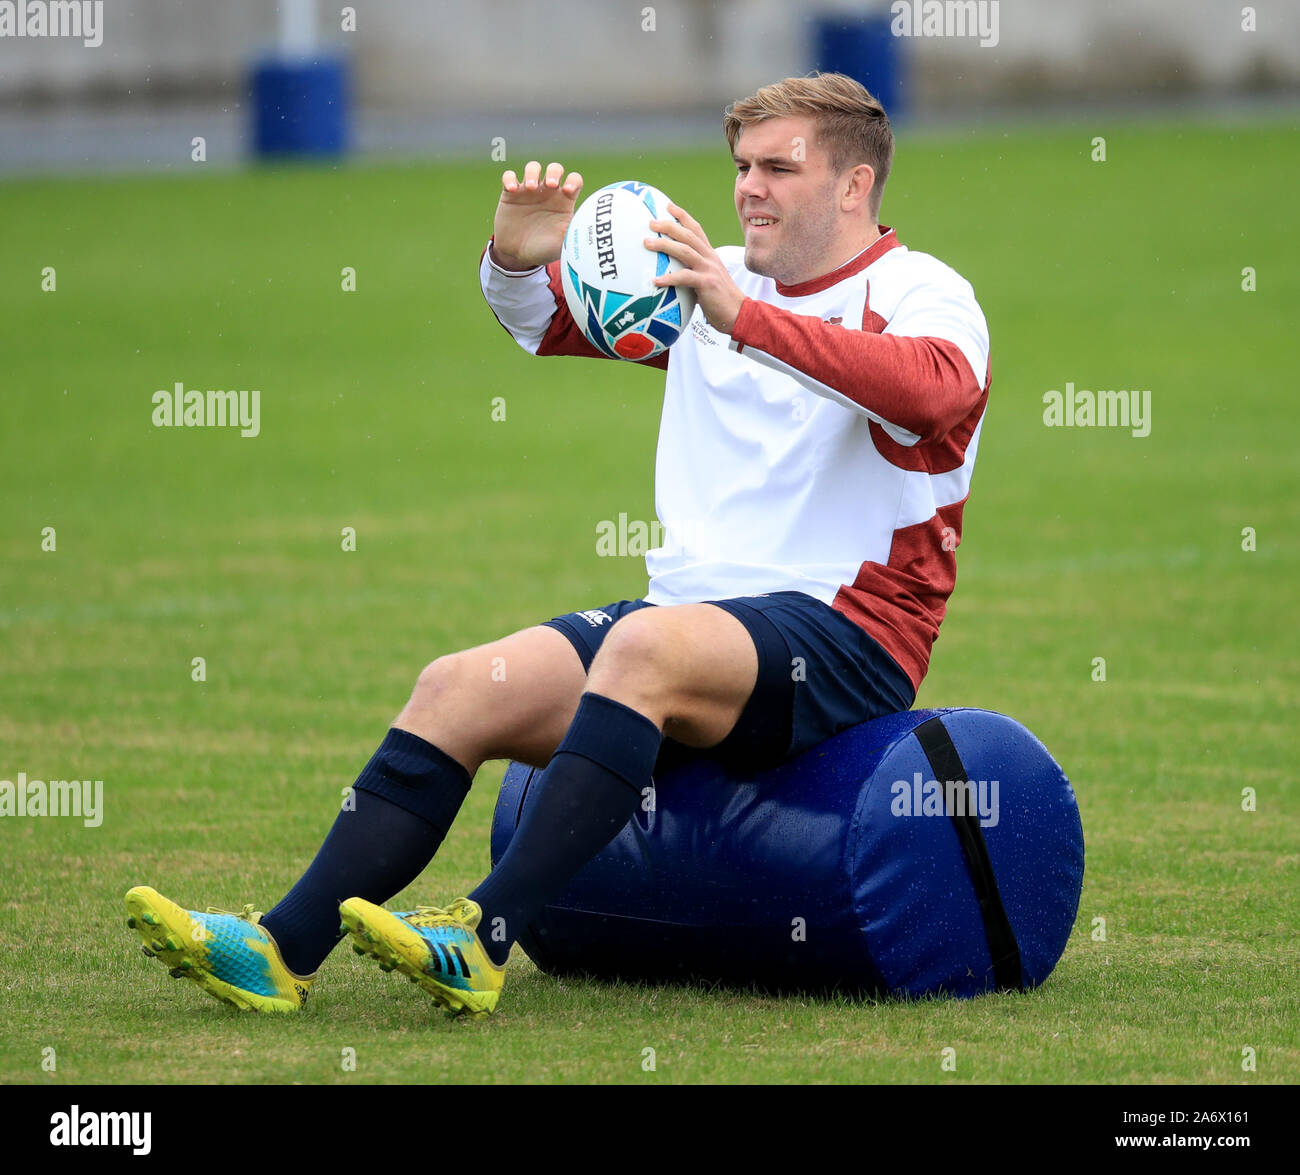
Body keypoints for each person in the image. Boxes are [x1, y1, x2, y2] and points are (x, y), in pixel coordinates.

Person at [125, 72, 990, 1018]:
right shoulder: (715, 278)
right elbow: (547, 324)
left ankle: (481, 940)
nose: (749, 188)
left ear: (855, 185)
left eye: (779, 168)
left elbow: (935, 394)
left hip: (847, 631)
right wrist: (516, 255)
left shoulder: (923, 290)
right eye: (742, 166)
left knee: (645, 648)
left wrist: (747, 320)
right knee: (458, 683)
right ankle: (278, 950)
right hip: (689, 620)